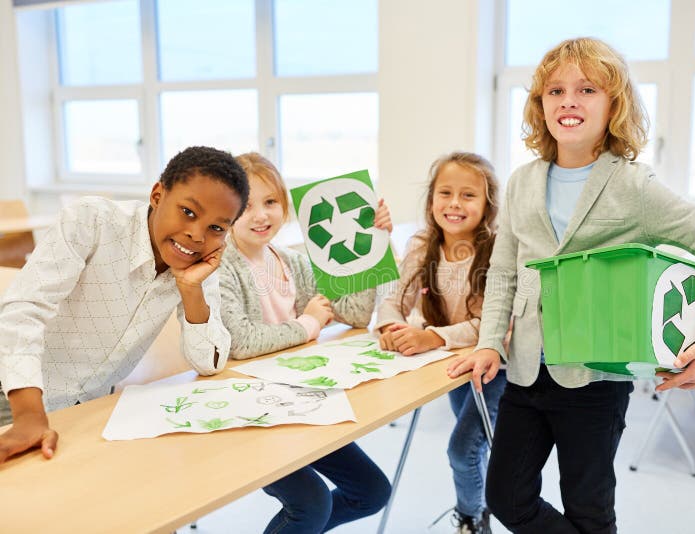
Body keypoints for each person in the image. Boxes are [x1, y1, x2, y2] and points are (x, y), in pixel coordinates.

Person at [447, 37, 695, 534]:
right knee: (506, 497)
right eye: (555, 91)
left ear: (614, 104)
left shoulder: (634, 187)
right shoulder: (522, 181)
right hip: (525, 373)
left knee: (588, 509)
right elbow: (504, 271)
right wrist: (488, 343)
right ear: (539, 105)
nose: (568, 100)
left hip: (594, 382)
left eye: (587, 89)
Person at [0, 145, 249, 463]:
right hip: (15, 393)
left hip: (90, 407)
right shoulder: (93, 221)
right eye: (188, 212)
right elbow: (24, 310)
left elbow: (209, 363)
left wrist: (190, 288)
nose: (196, 235)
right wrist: (28, 416)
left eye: (217, 227)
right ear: (158, 195)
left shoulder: (202, 266)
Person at [218, 152, 391, 533]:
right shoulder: (221, 266)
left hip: (298, 402)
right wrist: (309, 322)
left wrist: (370, 244)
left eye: (270, 202)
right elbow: (241, 342)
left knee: (372, 491)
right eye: (245, 206)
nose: (261, 215)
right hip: (252, 412)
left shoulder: (292, 262)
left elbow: (356, 315)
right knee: (310, 502)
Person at [376, 151, 506, 534]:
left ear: (488, 204)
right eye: (445, 192)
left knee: (462, 451)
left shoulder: (498, 250)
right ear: (431, 199)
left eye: (468, 195)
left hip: (494, 366)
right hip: (449, 366)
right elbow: (393, 298)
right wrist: (390, 327)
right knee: (471, 450)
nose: (454, 203)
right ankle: (476, 511)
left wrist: (432, 336)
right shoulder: (421, 243)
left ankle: (471, 519)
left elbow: (492, 325)